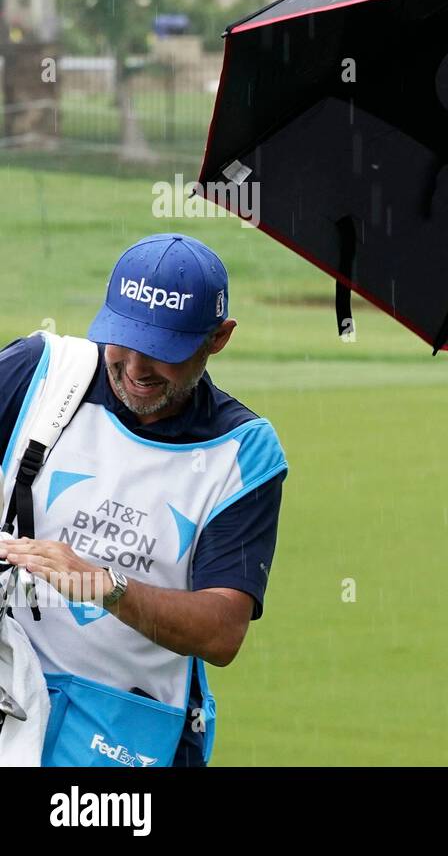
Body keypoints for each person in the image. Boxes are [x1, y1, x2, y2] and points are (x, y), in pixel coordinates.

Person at [0, 233, 287, 766]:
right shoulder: (38, 373)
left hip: (124, 731)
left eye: (163, 351)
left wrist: (101, 584)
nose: (135, 367)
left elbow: (223, 631)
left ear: (218, 338)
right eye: (124, 340)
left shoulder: (244, 452)